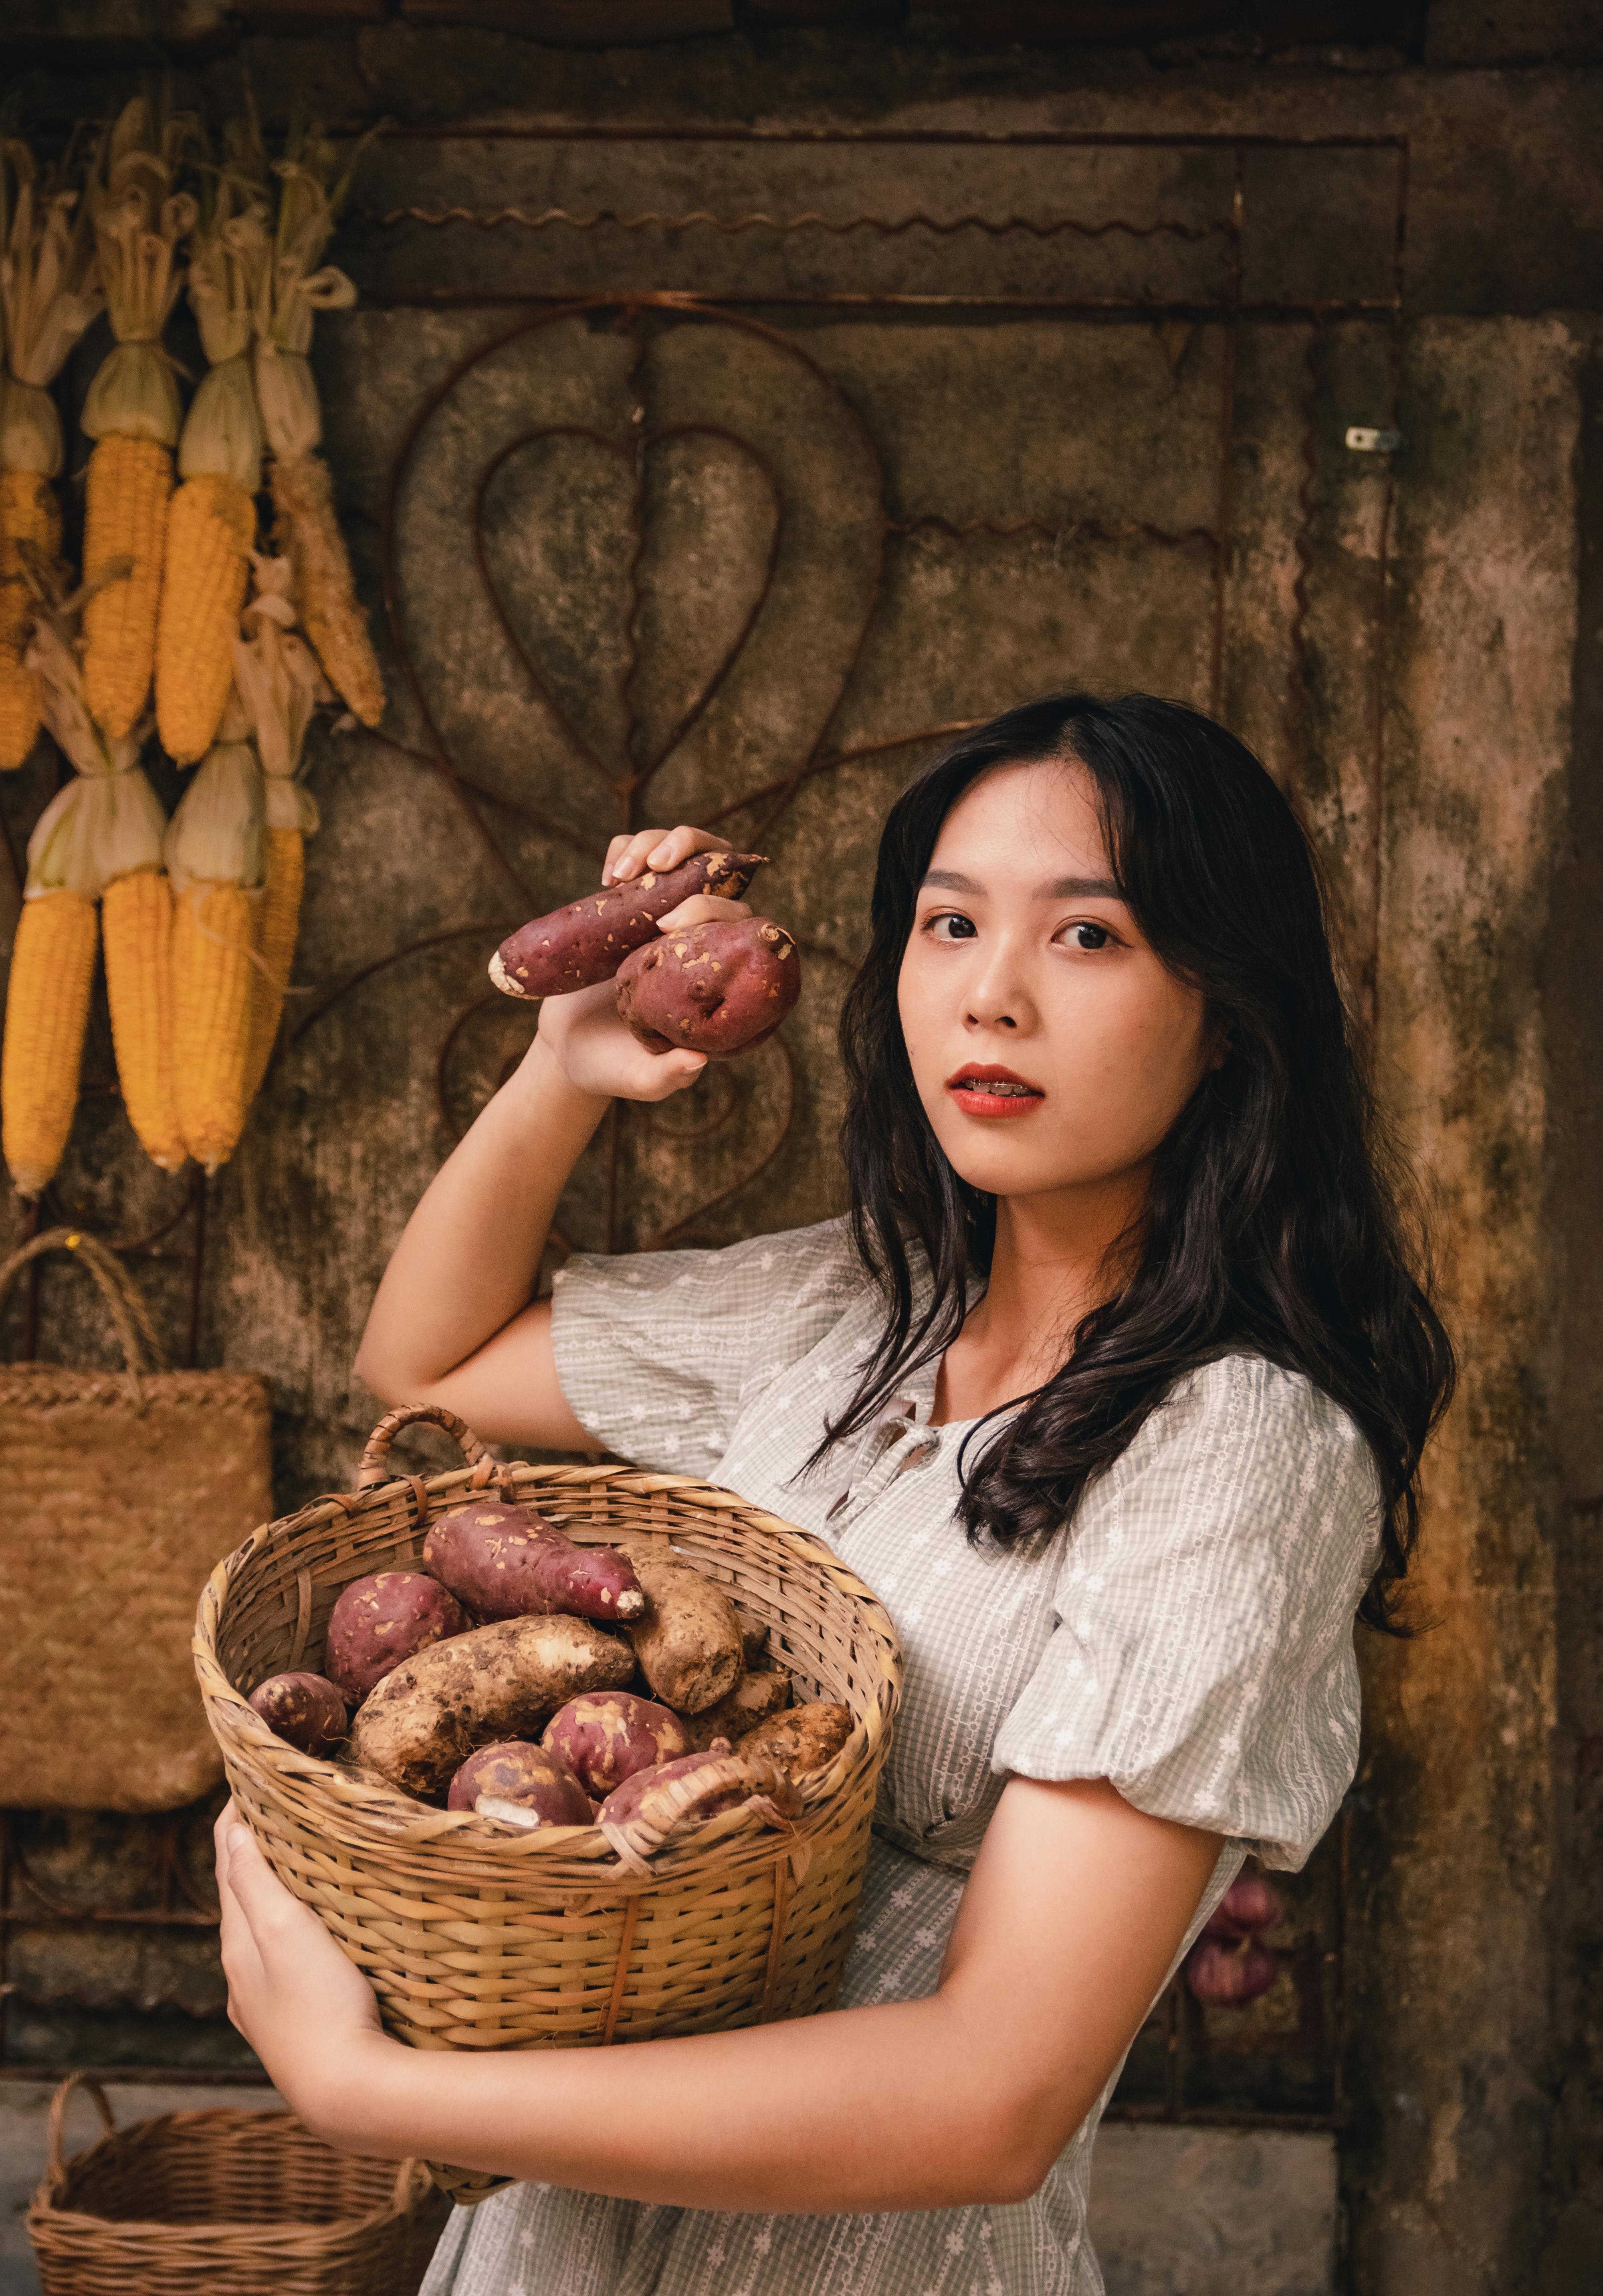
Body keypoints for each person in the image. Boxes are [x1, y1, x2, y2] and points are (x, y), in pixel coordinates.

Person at [214, 689, 1454, 2296]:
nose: (991, 998)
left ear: (1225, 1011)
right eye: (949, 925)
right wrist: (565, 1067)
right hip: (557, 2244)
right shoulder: (857, 1308)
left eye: (1087, 940)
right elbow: (428, 1363)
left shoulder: (1237, 1451)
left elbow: (996, 2099)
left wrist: (373, 2090)